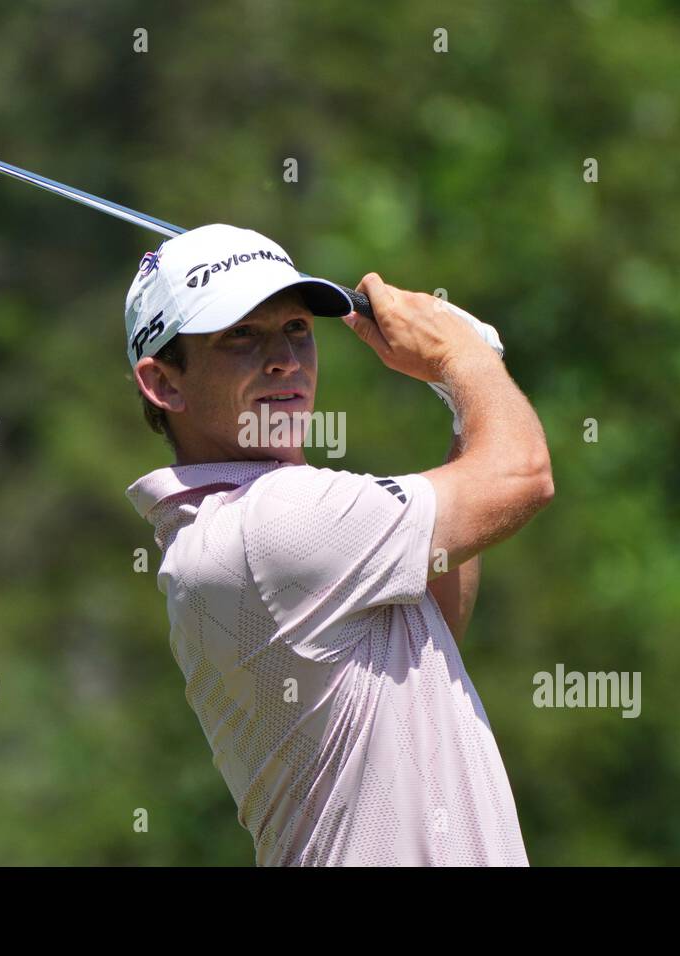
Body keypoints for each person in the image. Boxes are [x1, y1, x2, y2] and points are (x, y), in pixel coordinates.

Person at [124, 223, 553, 865]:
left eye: (296, 329)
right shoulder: (273, 523)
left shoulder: (227, 530)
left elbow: (432, 621)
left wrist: (465, 388)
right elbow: (523, 476)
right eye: (240, 335)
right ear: (163, 384)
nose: (284, 359)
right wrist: (461, 359)